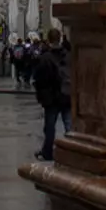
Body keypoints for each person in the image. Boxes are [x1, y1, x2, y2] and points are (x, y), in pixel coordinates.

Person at [33, 29, 73, 161]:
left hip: (51, 98)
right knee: (69, 125)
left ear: (49, 40)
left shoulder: (45, 57)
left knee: (50, 127)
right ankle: (74, 150)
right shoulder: (68, 55)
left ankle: (48, 152)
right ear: (60, 38)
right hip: (66, 95)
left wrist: (41, 95)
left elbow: (39, 79)